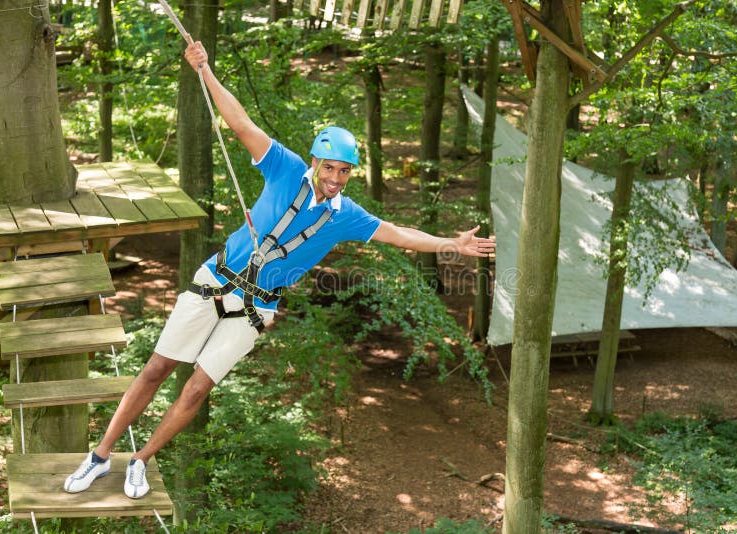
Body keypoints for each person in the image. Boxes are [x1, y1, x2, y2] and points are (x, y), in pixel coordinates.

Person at [64, 41, 496, 499]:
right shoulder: (285, 168)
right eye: (329, 167)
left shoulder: (346, 216)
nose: (335, 178)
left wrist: (451, 243)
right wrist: (205, 71)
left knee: (195, 390)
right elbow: (240, 123)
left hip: (256, 308)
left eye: (344, 171)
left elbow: (398, 233)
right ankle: (100, 456)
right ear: (315, 162)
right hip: (216, 283)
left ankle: (140, 460)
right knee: (157, 368)